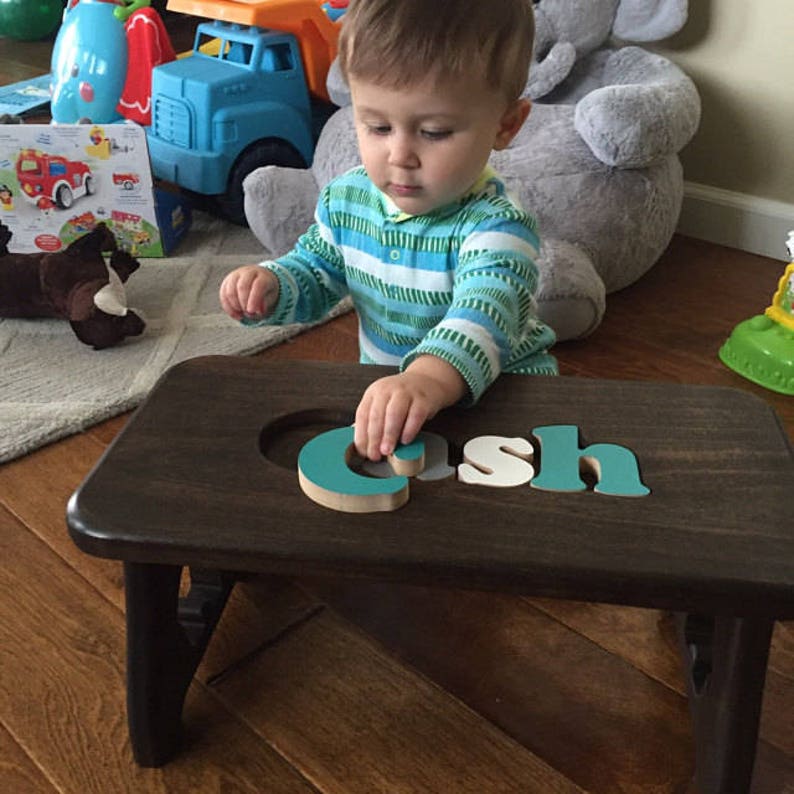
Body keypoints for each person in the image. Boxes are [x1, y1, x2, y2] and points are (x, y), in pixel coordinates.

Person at [220, 0, 557, 462]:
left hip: (503, 403)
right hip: (397, 401)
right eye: (377, 126)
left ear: (505, 125)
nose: (400, 154)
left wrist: (426, 379)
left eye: (435, 131)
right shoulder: (347, 200)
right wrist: (274, 284)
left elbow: (482, 318)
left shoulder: (497, 226)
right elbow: (317, 271)